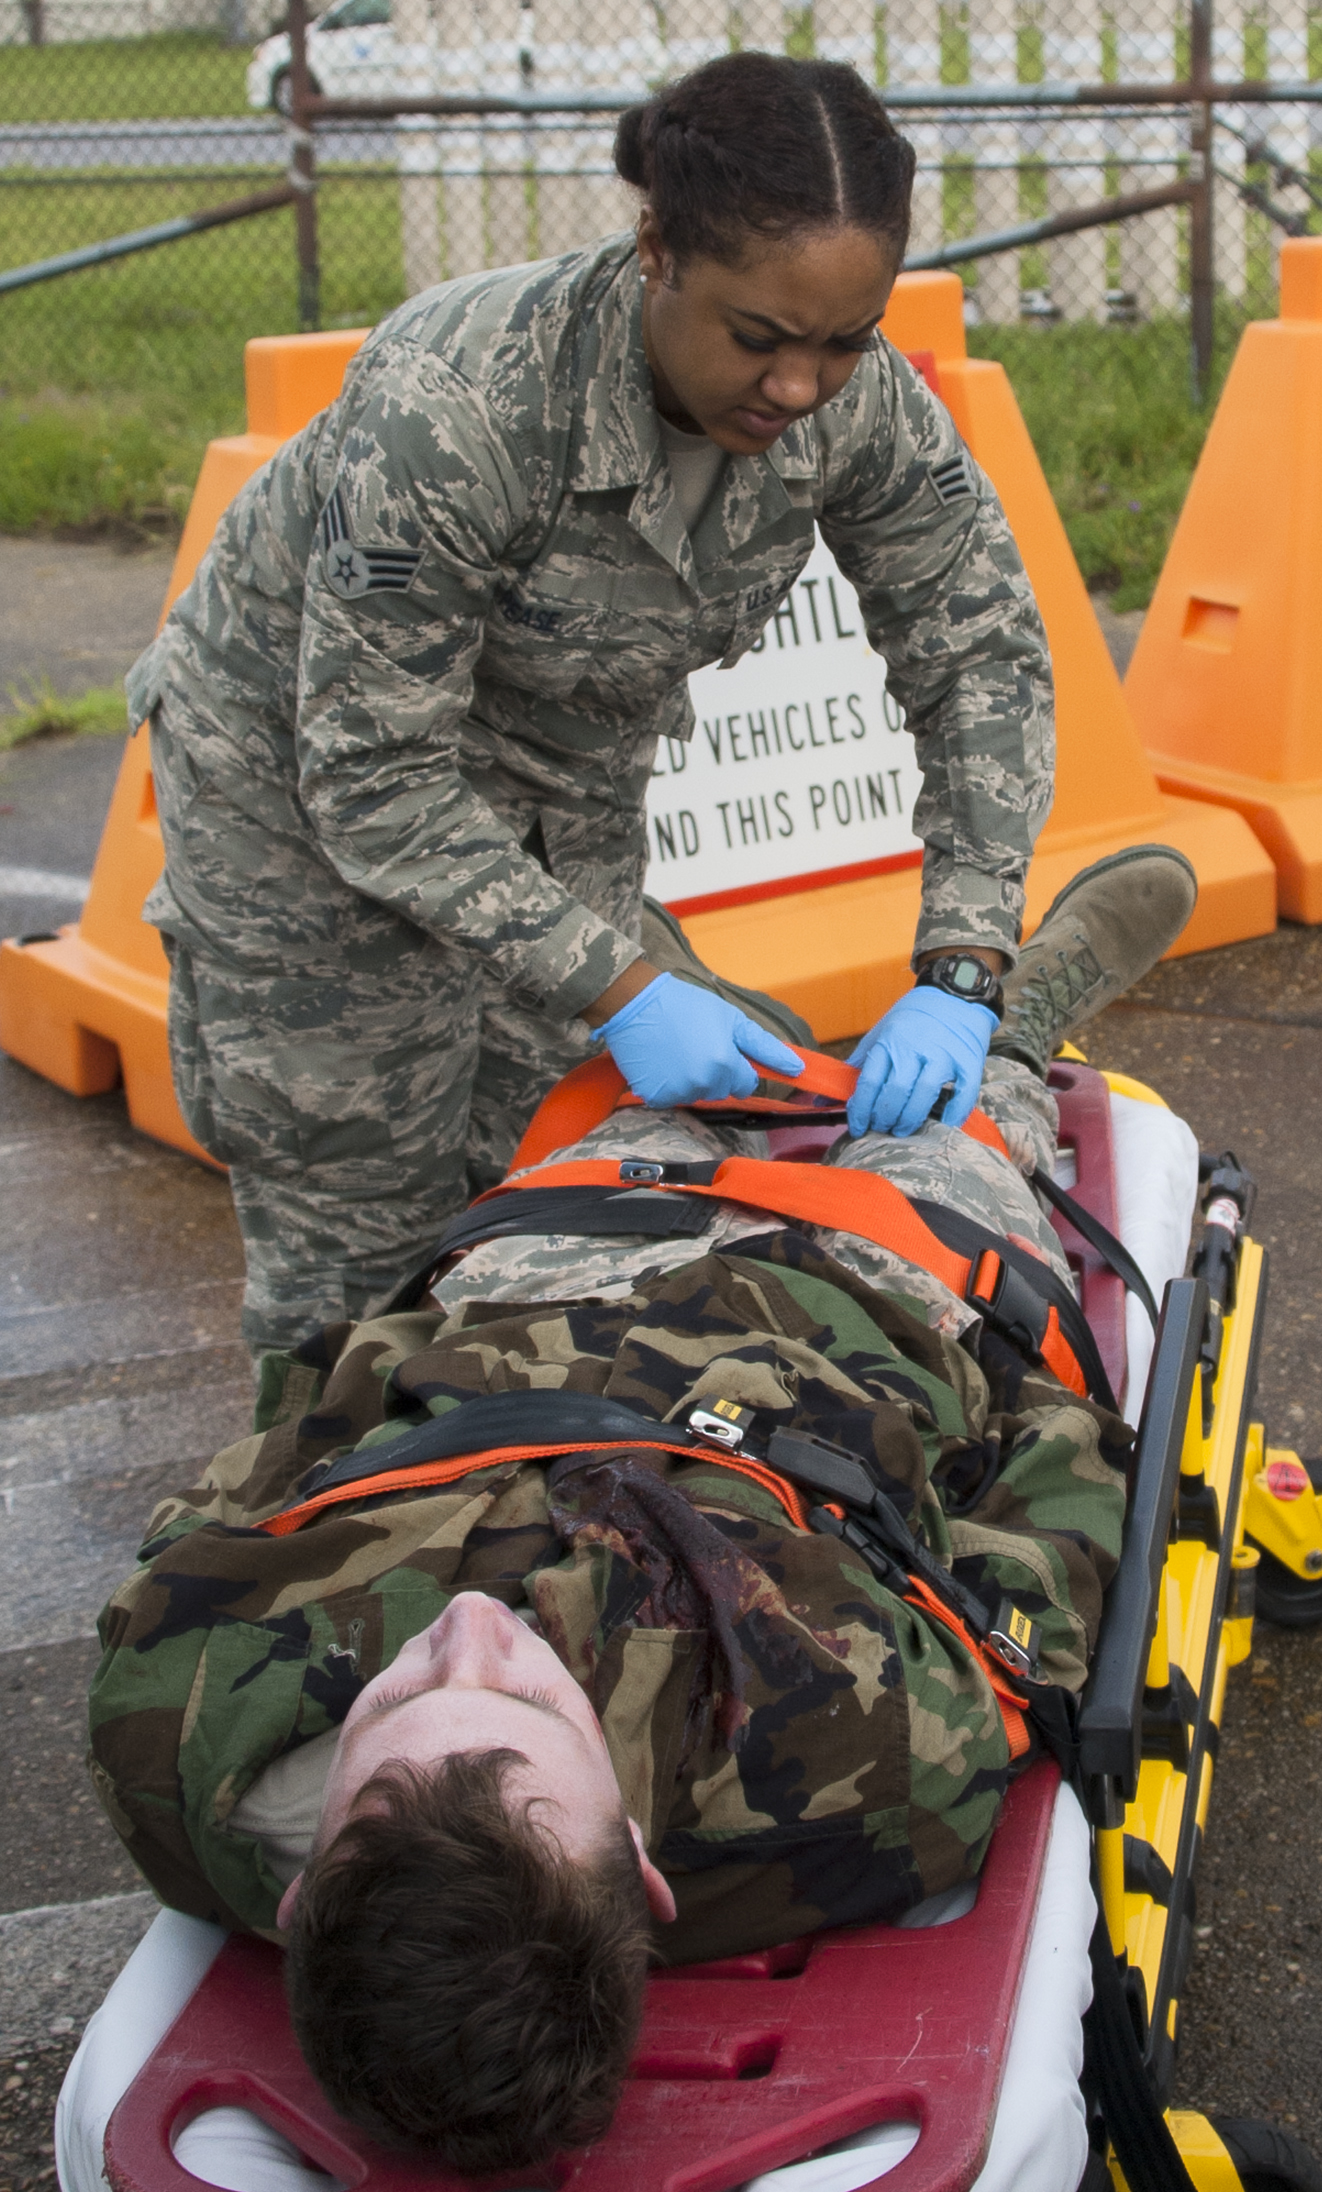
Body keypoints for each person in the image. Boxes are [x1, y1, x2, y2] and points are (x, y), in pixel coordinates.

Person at [87, 848, 1198, 2173]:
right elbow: (1055, 1539)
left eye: (391, 1699)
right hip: (855, 1285)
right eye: (533, 1700)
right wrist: (1019, 1389)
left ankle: (713, 1011)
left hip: (540, 1278)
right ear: (643, 1862)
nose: (477, 1634)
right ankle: (1019, 1017)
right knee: (958, 1113)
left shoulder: (174, 1713)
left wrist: (397, 1351)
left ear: (296, 1882)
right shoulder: (852, 1745)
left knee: (677, 1085)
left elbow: (270, 1453)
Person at [127, 47, 1079, 1362]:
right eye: (758, 336)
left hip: (550, 782)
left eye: (841, 342)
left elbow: (978, 651)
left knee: (559, 1174)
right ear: (657, 250)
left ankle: (534, 1514)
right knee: (362, 1211)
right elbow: (376, 782)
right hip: (298, 781)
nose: (799, 387)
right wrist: (624, 983)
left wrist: (965, 964)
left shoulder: (857, 409)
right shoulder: (462, 406)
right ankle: (320, 1526)